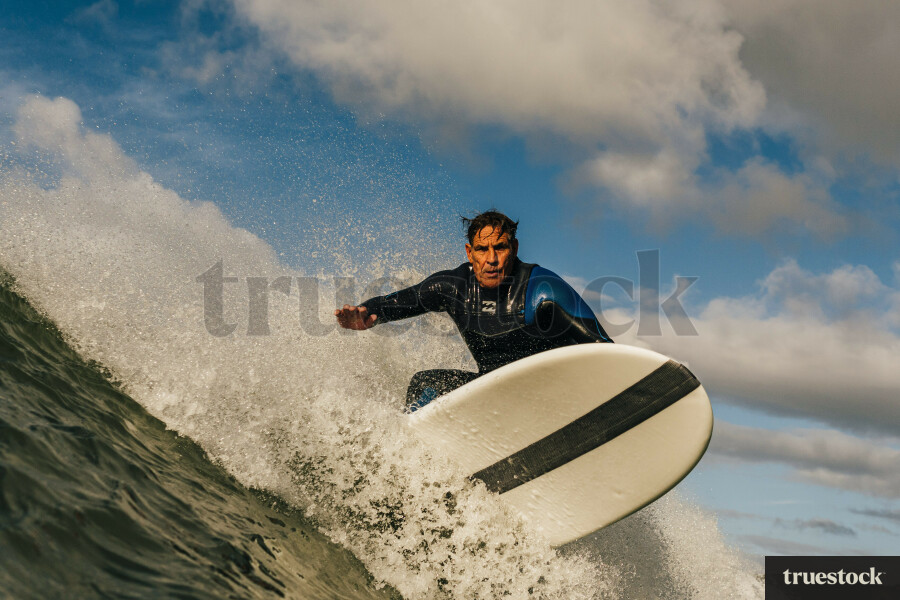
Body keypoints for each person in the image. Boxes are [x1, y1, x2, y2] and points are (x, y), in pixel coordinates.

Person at [334, 210, 612, 410]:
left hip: (555, 395)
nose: (491, 259)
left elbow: (604, 348)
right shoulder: (453, 288)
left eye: (500, 248)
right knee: (425, 383)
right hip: (495, 397)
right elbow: (392, 303)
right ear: (469, 253)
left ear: (513, 248)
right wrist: (366, 314)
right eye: (482, 249)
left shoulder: (544, 289)